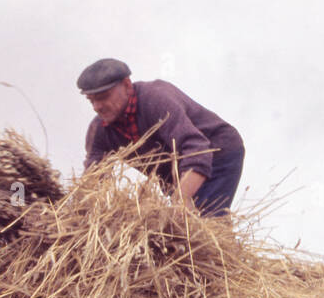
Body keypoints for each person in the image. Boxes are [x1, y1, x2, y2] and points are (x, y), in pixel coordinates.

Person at [77, 58, 245, 216]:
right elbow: (92, 181)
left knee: (202, 222)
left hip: (217, 153)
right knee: (176, 230)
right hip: (174, 173)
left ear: (127, 85)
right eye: (91, 100)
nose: (97, 107)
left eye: (103, 97)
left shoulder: (156, 99)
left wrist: (181, 199)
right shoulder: (100, 130)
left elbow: (197, 148)